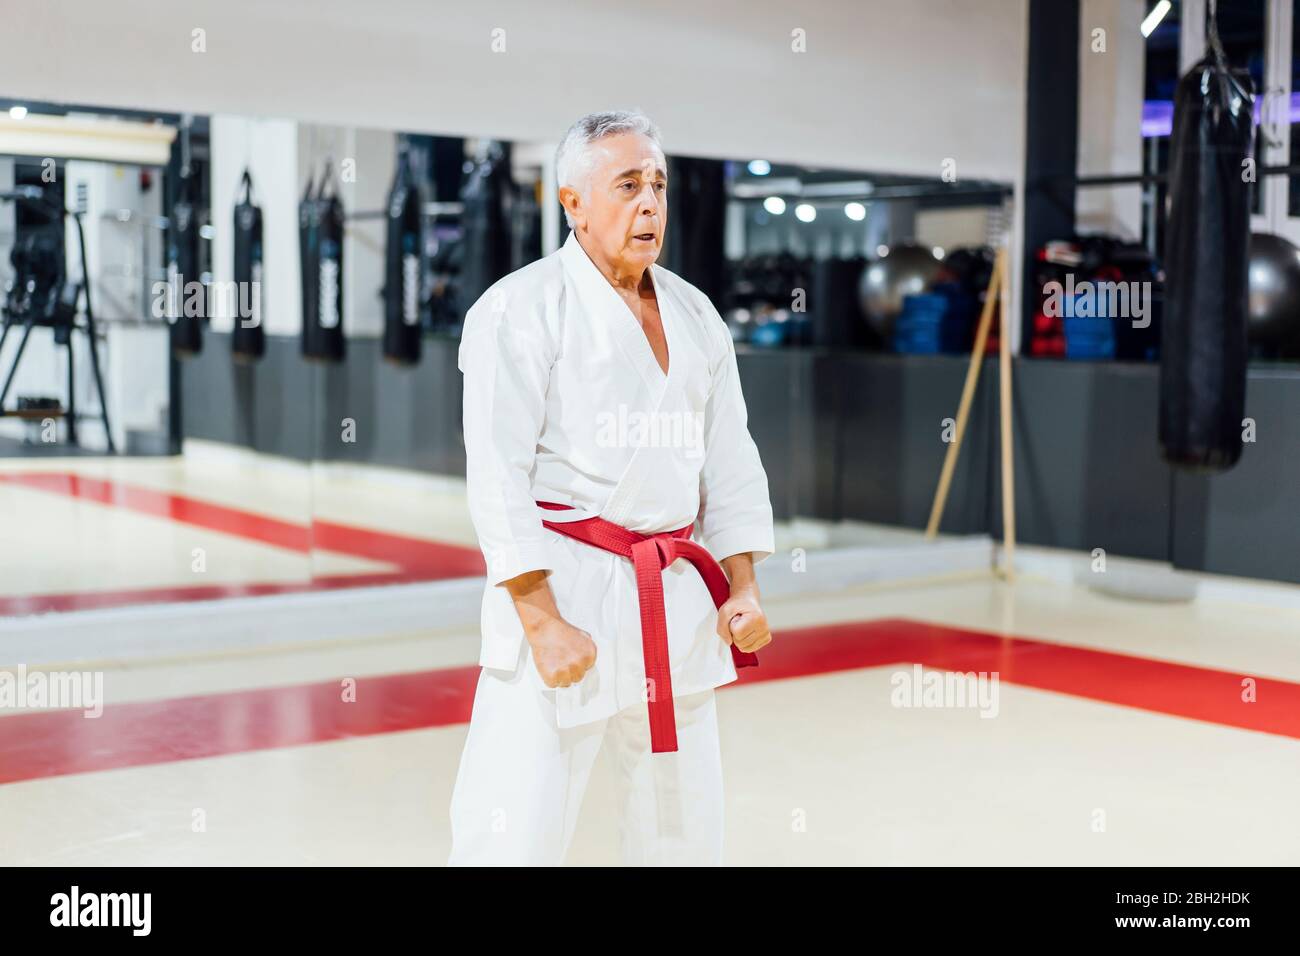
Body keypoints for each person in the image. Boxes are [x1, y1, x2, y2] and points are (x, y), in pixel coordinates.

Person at [447, 110, 775, 866]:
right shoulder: (518, 310)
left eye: (658, 184)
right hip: (567, 594)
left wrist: (743, 587)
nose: (650, 204)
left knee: (683, 829)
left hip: (677, 603)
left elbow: (730, 458)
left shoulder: (696, 314)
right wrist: (538, 621)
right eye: (628, 185)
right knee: (514, 823)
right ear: (573, 202)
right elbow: (498, 477)